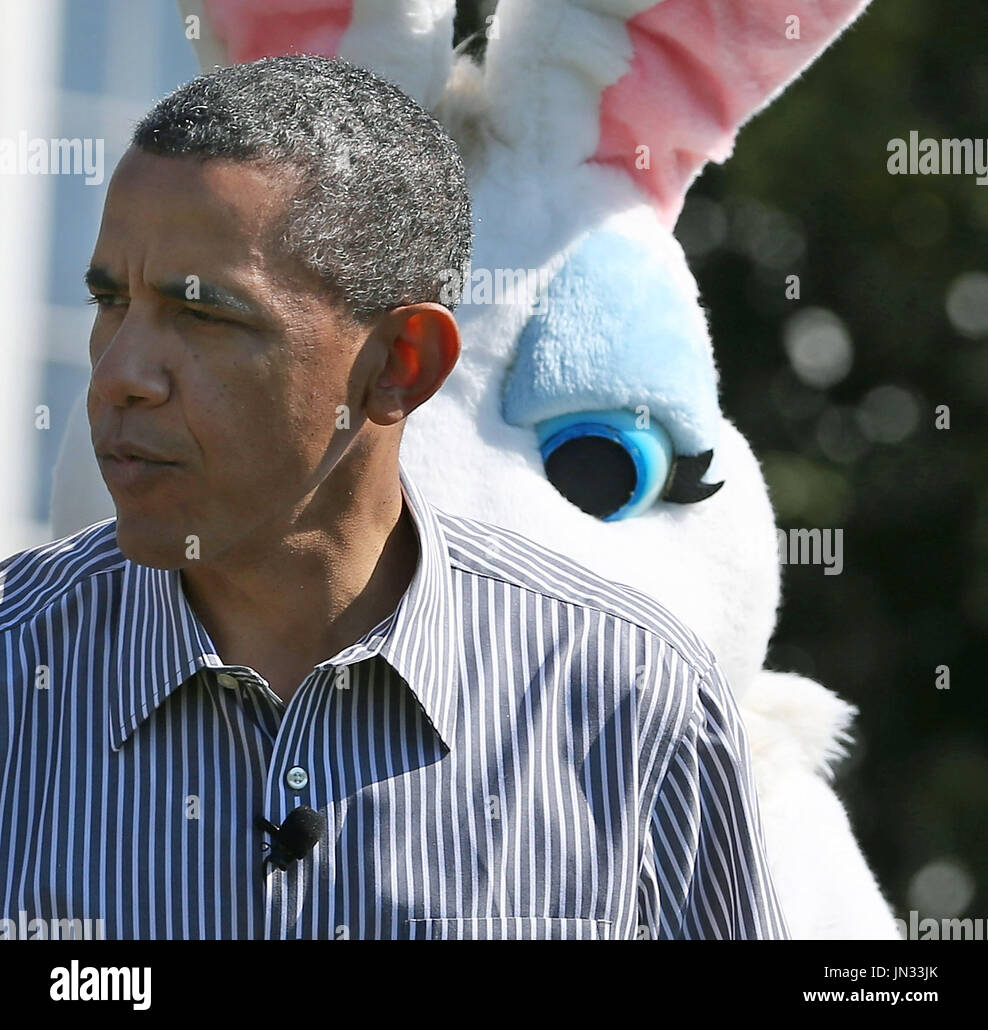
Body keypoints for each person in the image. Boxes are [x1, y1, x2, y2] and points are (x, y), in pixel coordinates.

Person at [0, 53, 789, 940]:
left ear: (398, 366)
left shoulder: (632, 700)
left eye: (203, 314)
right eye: (111, 302)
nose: (119, 376)